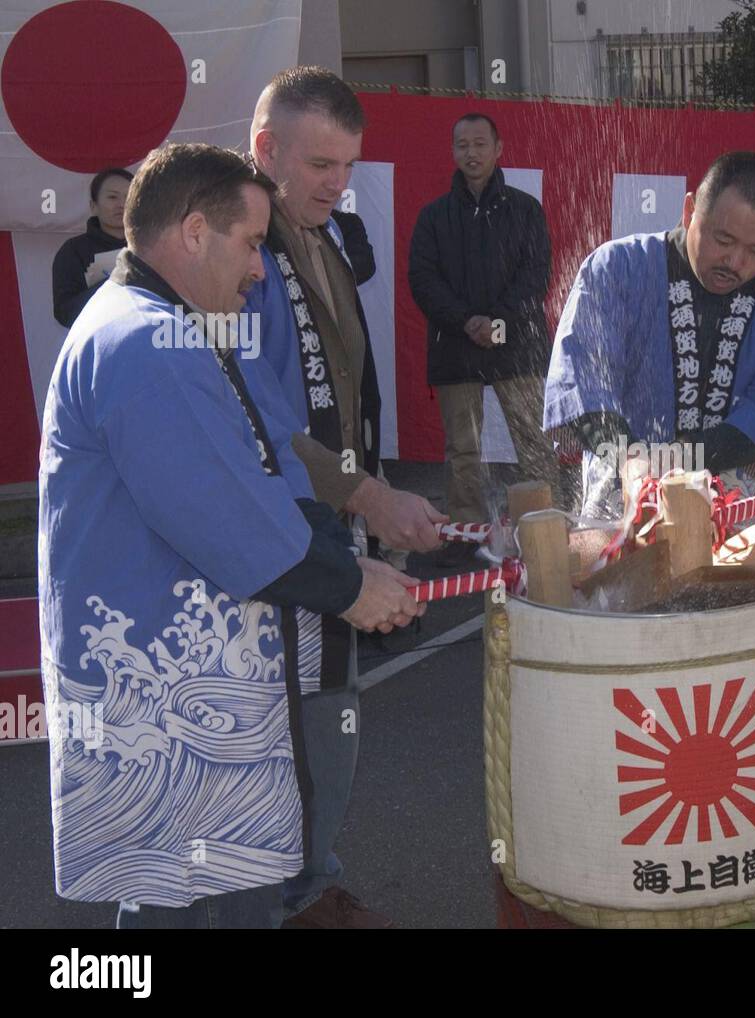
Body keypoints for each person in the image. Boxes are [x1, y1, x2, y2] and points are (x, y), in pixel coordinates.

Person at [38, 142, 423, 929]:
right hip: (164, 691)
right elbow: (224, 516)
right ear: (191, 233)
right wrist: (351, 586)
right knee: (183, 899)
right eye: (251, 244)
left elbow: (274, 454)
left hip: (189, 683)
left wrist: (363, 515)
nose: (259, 270)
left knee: (210, 885)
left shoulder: (172, 326)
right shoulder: (145, 342)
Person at [246, 65, 447, 928]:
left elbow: (336, 395)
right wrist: (366, 498)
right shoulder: (241, 252)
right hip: (274, 528)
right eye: (320, 163)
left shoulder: (320, 238)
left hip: (325, 516)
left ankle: (311, 876)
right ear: (265, 150)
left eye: (348, 164)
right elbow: (261, 418)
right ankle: (289, 890)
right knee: (286, 716)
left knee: (330, 704)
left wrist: (372, 493)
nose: (338, 182)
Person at [544, 150, 755, 516]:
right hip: (623, 481)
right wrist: (632, 460)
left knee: (739, 571)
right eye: (723, 240)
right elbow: (582, 384)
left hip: (734, 495)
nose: (735, 262)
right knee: (618, 570)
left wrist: (676, 460)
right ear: (689, 210)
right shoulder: (616, 269)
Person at [409, 112, 556, 562]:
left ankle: (546, 530)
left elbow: (536, 275)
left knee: (534, 441)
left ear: (498, 150)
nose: (471, 153)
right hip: (455, 345)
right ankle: (466, 535)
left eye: (479, 144)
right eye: (462, 146)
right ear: (453, 152)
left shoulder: (524, 209)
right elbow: (423, 278)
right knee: (463, 451)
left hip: (518, 345)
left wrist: (499, 321)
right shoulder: (434, 216)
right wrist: (465, 322)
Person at [51, 167, 132, 327]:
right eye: (112, 197)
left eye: (129, 197)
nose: (121, 205)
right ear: (93, 206)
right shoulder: (73, 250)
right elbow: (65, 313)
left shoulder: (152, 247)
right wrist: (114, 282)